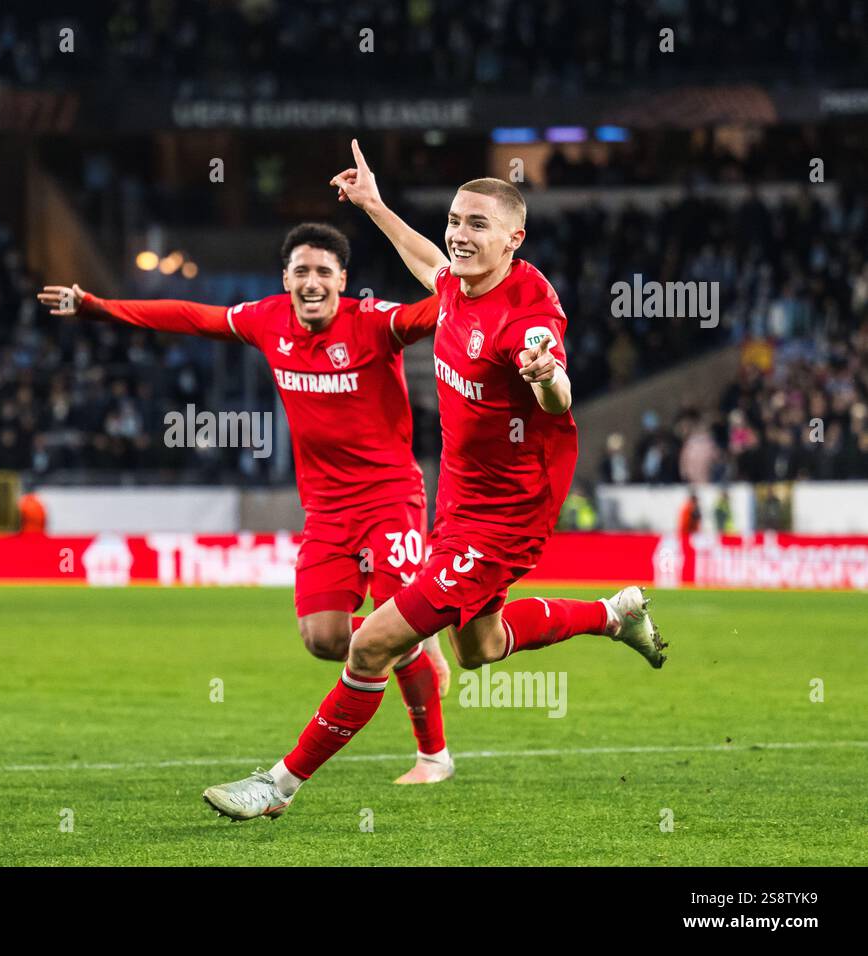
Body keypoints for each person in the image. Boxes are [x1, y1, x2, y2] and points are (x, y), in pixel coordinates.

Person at [201, 142, 667, 821]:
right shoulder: (459, 285)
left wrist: (549, 380)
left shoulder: (526, 314)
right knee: (479, 648)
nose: (459, 233)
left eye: (478, 223)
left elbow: (555, 388)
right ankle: (612, 614)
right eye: (455, 219)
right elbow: (431, 266)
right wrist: (375, 205)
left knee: (371, 642)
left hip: (506, 516)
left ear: (515, 238)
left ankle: (277, 786)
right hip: (459, 499)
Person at [38, 222, 457, 784]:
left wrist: (473, 286)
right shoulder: (266, 320)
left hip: (389, 495)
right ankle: (408, 634)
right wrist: (96, 307)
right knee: (324, 639)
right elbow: (189, 316)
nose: (312, 282)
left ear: (343, 280)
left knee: (390, 623)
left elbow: (438, 311)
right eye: (302, 271)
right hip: (326, 509)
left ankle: (433, 755)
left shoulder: (373, 322)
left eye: (324, 272)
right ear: (286, 279)